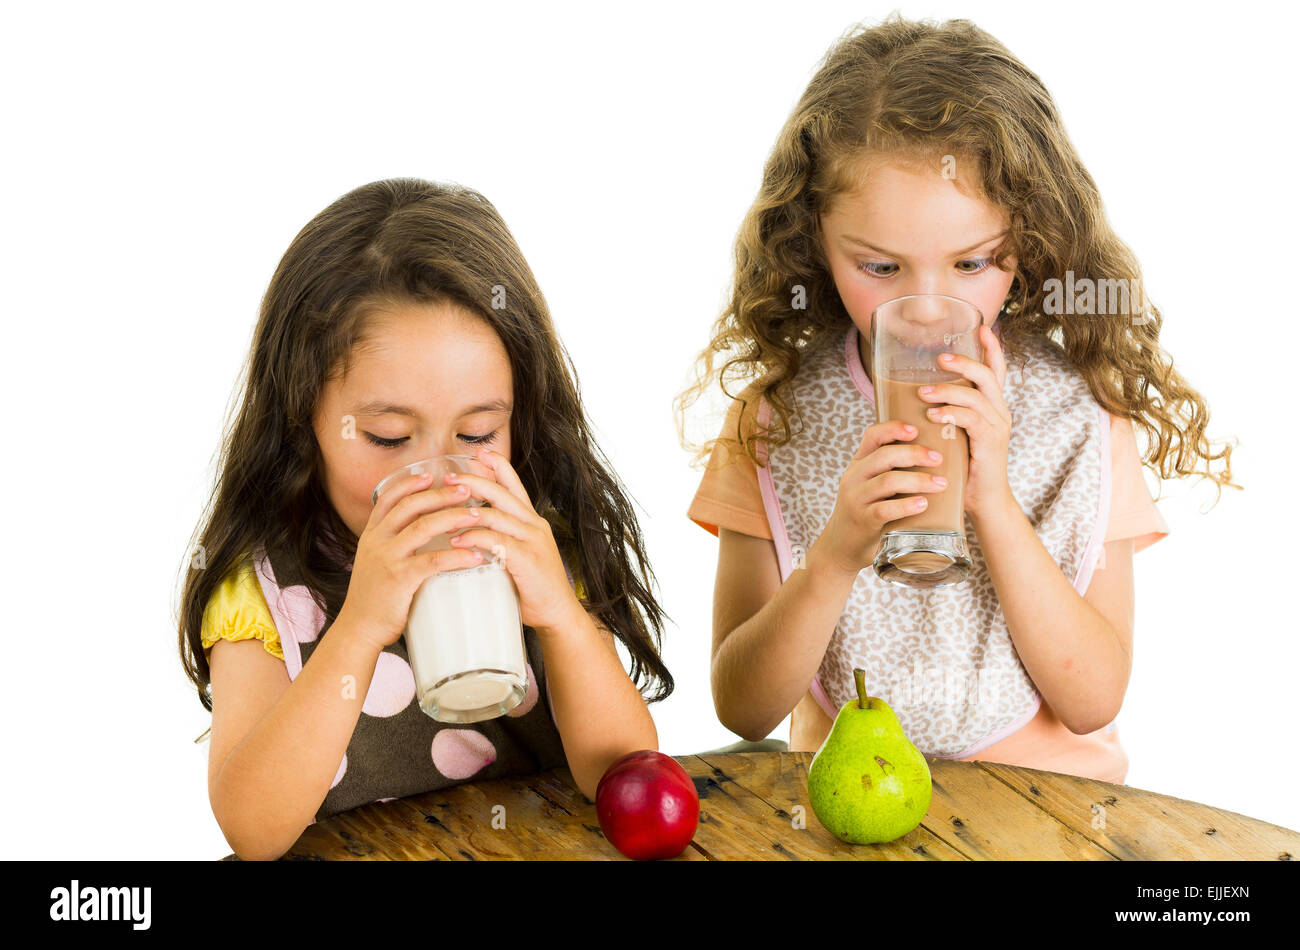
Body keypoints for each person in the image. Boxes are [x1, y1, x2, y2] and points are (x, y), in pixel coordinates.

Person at [677, 16, 1238, 783]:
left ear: (1027, 237)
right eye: (880, 267)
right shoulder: (775, 420)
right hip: (851, 815)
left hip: (1055, 816)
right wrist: (837, 549)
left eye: (972, 262)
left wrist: (996, 504)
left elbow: (1093, 699)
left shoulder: (1080, 413)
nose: (930, 308)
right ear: (814, 241)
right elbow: (743, 709)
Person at [177, 178, 670, 860]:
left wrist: (560, 611)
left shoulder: (531, 541)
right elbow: (252, 830)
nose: (438, 476)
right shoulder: (263, 591)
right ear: (302, 419)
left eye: (476, 435)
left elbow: (623, 773)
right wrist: (359, 627)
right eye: (385, 437)